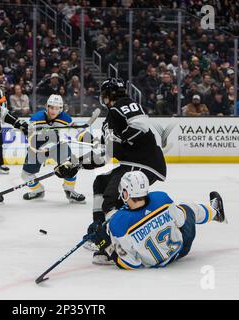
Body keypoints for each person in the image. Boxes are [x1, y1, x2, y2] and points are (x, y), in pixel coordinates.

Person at [54, 77, 167, 260]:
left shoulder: (125, 105)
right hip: (131, 164)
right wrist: (76, 164)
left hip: (143, 163)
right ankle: (99, 231)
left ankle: (116, 245)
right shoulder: (110, 119)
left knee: (111, 199)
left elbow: (141, 126)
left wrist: (121, 139)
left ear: (106, 96)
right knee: (101, 182)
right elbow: (104, 156)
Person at [87, 171, 226, 267]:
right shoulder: (161, 198)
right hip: (181, 249)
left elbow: (130, 263)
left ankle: (102, 253)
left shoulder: (117, 222)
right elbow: (181, 221)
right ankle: (215, 212)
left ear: (126, 192)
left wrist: (104, 245)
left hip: (153, 261)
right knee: (186, 208)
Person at [21, 94, 85, 203]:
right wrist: (27, 130)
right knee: (26, 175)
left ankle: (70, 191)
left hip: (58, 146)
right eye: (51, 107)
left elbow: (77, 130)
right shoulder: (36, 118)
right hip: (38, 148)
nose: (53, 111)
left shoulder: (65, 118)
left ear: (61, 109)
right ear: (47, 107)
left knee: (71, 166)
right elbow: (29, 136)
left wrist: (86, 136)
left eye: (57, 108)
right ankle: (38, 191)